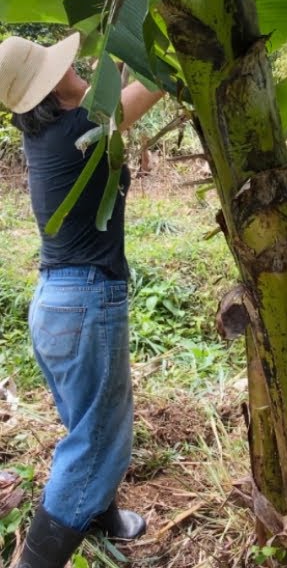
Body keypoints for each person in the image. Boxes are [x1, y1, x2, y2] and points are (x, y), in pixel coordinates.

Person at [2, 33, 164, 567]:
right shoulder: (83, 133)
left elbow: (109, 90)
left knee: (88, 422)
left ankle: (104, 518)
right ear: (51, 91)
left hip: (55, 304)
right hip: (84, 302)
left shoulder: (56, 133)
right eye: (61, 66)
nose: (73, 65)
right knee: (97, 440)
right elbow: (158, 80)